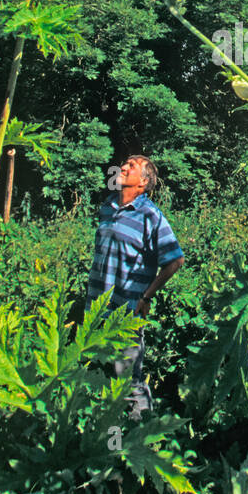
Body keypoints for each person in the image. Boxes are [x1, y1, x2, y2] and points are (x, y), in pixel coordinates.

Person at [85, 154, 184, 420]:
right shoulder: (107, 207)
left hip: (126, 312)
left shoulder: (150, 215)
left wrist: (147, 296)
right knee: (100, 376)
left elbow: (175, 259)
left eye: (131, 166)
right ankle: (107, 437)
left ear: (143, 182)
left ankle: (141, 436)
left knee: (128, 381)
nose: (123, 167)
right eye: (124, 163)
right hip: (96, 309)